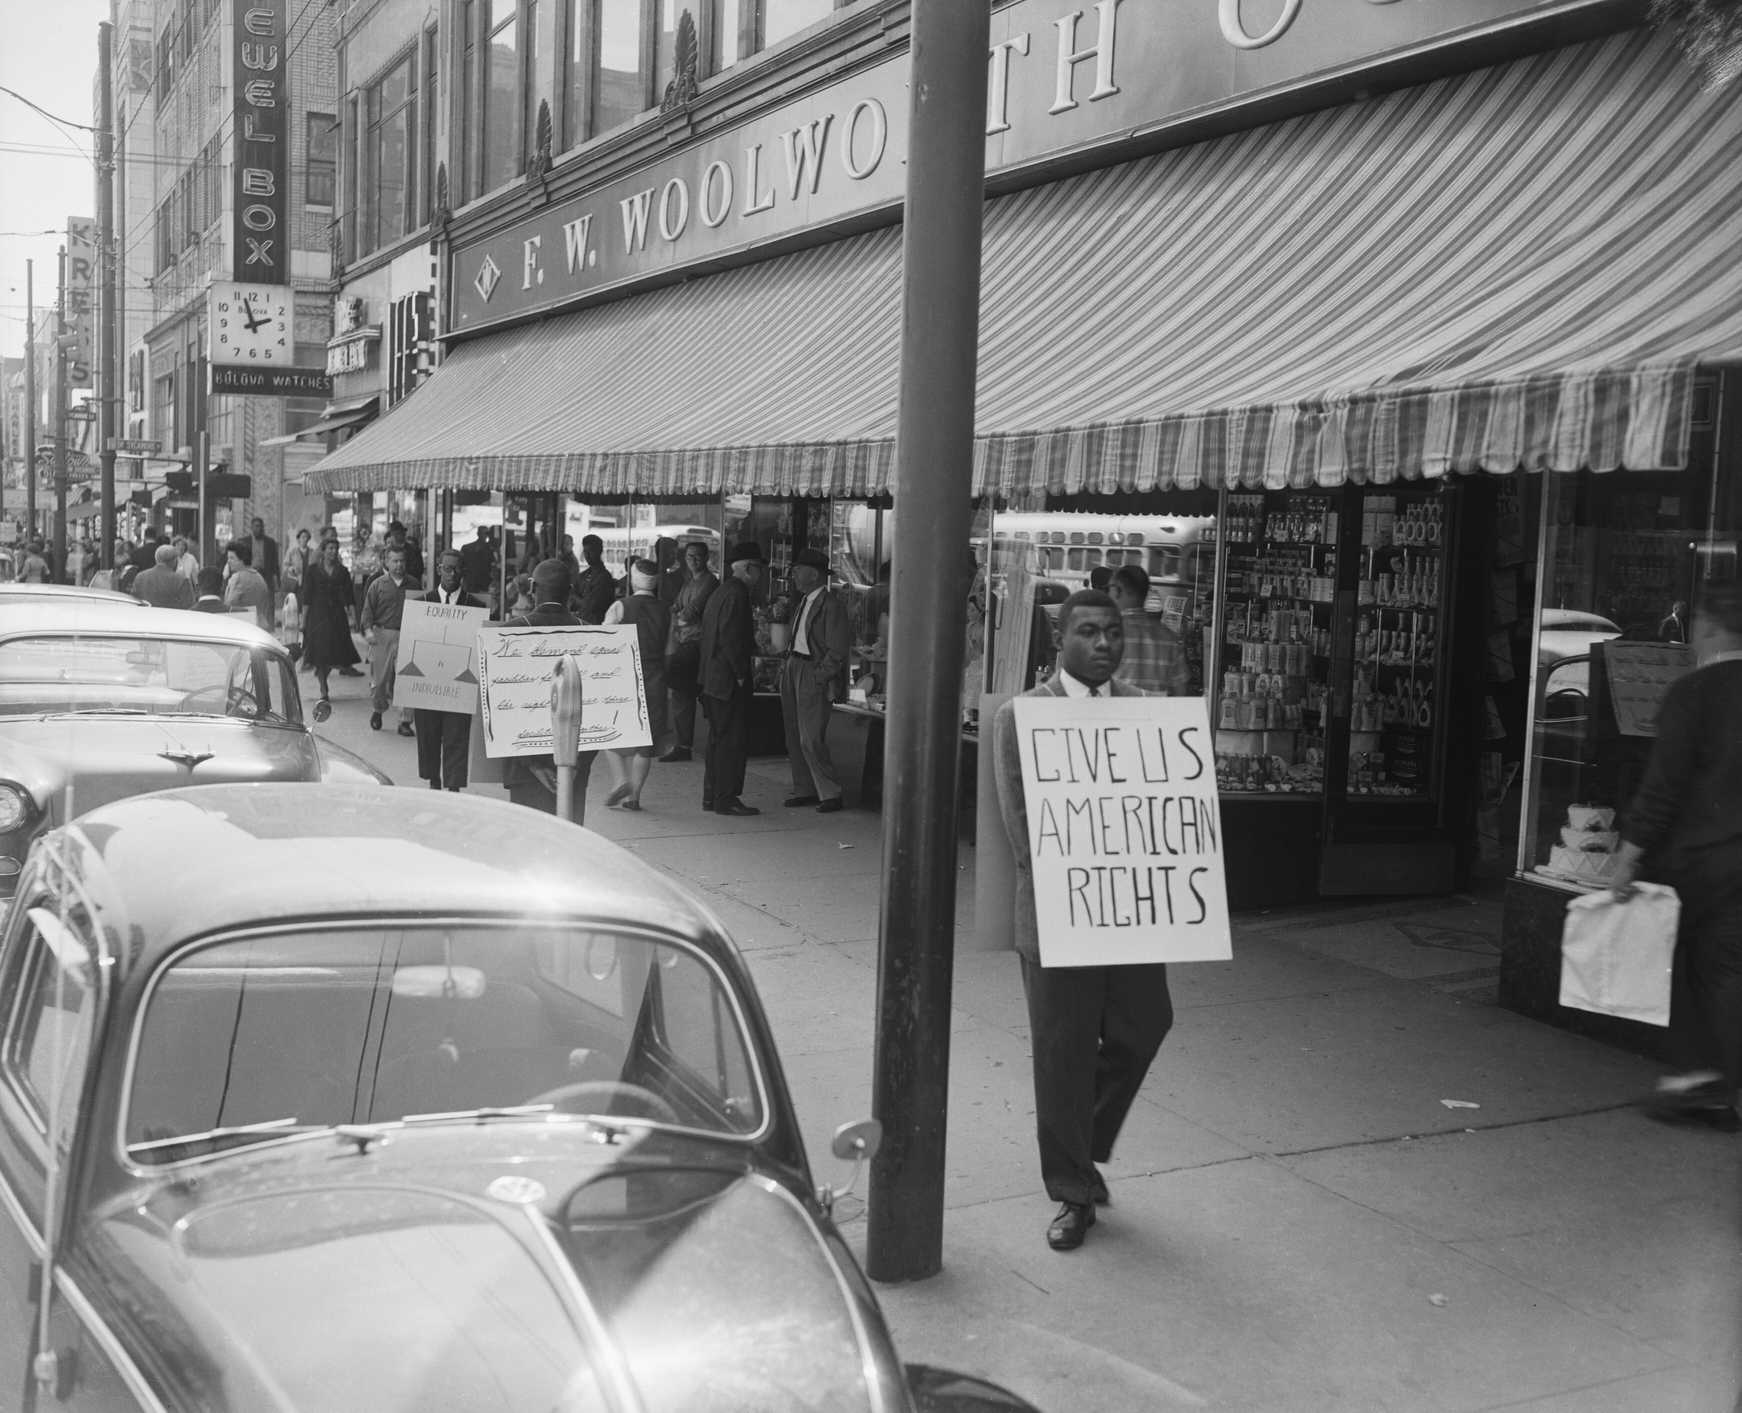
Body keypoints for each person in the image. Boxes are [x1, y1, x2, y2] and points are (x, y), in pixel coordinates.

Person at [991, 589, 1172, 1251]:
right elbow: (1022, 832)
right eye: (1089, 632)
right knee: (1062, 1053)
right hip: (1056, 913)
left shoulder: (1146, 712)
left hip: (1130, 910)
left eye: (1114, 632)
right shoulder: (1021, 715)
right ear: (1059, 643)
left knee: (1146, 1022)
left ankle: (1080, 1136)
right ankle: (1072, 1191)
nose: (1104, 643)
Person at [1610, 581, 1742, 1130]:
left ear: (1708, 626)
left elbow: (1662, 787)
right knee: (1728, 971)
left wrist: (1627, 858)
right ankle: (1707, 1083)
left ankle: (1697, 1078)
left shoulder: (1694, 692)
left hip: (1700, 861)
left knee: (1689, 967)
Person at [501, 559, 599, 822]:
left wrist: (533, 764)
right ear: (570, 591)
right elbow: (602, 710)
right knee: (567, 849)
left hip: (524, 771)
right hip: (574, 771)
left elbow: (500, 711)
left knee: (528, 848)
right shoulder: (593, 635)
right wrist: (575, 764)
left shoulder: (508, 635)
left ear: (532, 587)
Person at [779, 546, 852, 813]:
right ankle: (805, 789)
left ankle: (830, 792)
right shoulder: (805, 600)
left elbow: (838, 649)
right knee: (794, 734)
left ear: (814, 574)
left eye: (798, 570)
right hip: (794, 665)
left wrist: (820, 677)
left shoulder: (831, 605)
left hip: (811, 670)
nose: (794, 575)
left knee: (811, 736)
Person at [698, 542, 764, 817]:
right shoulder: (737, 593)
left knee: (718, 739)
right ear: (748, 568)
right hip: (727, 681)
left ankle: (712, 795)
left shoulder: (721, 591)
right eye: (759, 569)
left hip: (712, 679)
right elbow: (731, 638)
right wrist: (740, 673)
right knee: (731, 741)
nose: (761, 575)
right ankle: (726, 798)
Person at [601, 559, 672, 811]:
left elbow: (604, 639)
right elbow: (670, 648)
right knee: (646, 739)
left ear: (632, 579)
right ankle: (635, 797)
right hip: (655, 676)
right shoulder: (666, 609)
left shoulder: (621, 605)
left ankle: (620, 779)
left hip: (625, 673)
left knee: (612, 729)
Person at [413, 549, 486, 792]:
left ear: (463, 572)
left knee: (457, 735)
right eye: (447, 568)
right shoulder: (421, 604)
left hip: (459, 686)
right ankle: (434, 780)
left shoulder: (475, 607)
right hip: (429, 684)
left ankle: (453, 787)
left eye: (456, 569)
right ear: (438, 569)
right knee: (429, 734)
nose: (451, 574)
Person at [662, 541, 719, 763]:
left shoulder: (709, 582)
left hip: (698, 645)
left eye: (697, 556)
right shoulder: (688, 583)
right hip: (684, 643)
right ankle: (683, 744)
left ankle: (698, 743)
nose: (693, 560)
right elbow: (675, 609)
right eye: (689, 556)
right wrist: (677, 618)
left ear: (706, 558)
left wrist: (677, 619)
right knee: (681, 694)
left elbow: (689, 614)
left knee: (696, 695)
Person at [1109, 563, 1190, 696]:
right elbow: (1180, 693)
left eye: (1109, 588)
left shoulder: (1108, 635)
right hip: (1155, 714)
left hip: (1117, 714)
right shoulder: (1171, 639)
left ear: (1118, 590)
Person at [360, 546, 415, 736]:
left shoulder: (414, 585)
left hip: (407, 635)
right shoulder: (377, 585)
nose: (399, 565)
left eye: (402, 561)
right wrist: (367, 631)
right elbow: (367, 612)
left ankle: (405, 721)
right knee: (380, 680)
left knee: (406, 679)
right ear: (386, 562)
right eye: (395, 561)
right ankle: (378, 709)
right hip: (381, 635)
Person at [299, 538, 362, 701]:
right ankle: (323, 687)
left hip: (336, 616)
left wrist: (353, 619)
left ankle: (324, 677)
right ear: (323, 550)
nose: (333, 552)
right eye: (330, 548)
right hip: (317, 615)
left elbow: (350, 598)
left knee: (334, 652)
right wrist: (303, 621)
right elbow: (306, 597)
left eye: (335, 549)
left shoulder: (342, 571)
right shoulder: (313, 570)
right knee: (320, 653)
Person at [222, 540, 273, 631]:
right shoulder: (259, 577)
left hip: (243, 629)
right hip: (260, 628)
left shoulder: (237, 578)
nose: (228, 562)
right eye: (228, 558)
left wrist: (225, 579)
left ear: (242, 559)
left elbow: (227, 607)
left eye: (232, 558)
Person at [132, 542, 196, 609]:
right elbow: (190, 607)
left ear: (156, 559)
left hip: (146, 617)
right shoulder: (181, 580)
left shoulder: (140, 577)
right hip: (172, 618)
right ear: (174, 561)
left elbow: (134, 602)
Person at [573, 534, 619, 624]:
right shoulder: (582, 575)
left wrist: (576, 598)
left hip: (597, 627)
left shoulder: (605, 578)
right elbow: (572, 599)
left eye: (591, 551)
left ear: (600, 551)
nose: (587, 555)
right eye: (585, 551)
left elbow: (591, 606)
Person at [249, 516, 281, 599]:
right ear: (251, 527)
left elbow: (275, 563)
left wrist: (277, 581)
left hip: (266, 576)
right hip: (250, 576)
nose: (259, 529)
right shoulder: (245, 542)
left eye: (260, 526)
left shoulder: (270, 542)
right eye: (256, 526)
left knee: (269, 601)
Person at [459, 524, 495, 597]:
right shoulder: (467, 548)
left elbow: (494, 565)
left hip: (484, 583)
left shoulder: (490, 549)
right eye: (484, 533)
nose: (485, 536)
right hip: (471, 582)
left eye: (487, 533)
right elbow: (460, 565)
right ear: (478, 534)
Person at [386, 519, 424, 585]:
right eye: (393, 534)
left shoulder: (414, 550)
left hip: (409, 586)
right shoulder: (388, 550)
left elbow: (418, 570)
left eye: (398, 533)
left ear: (403, 534)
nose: (395, 536)